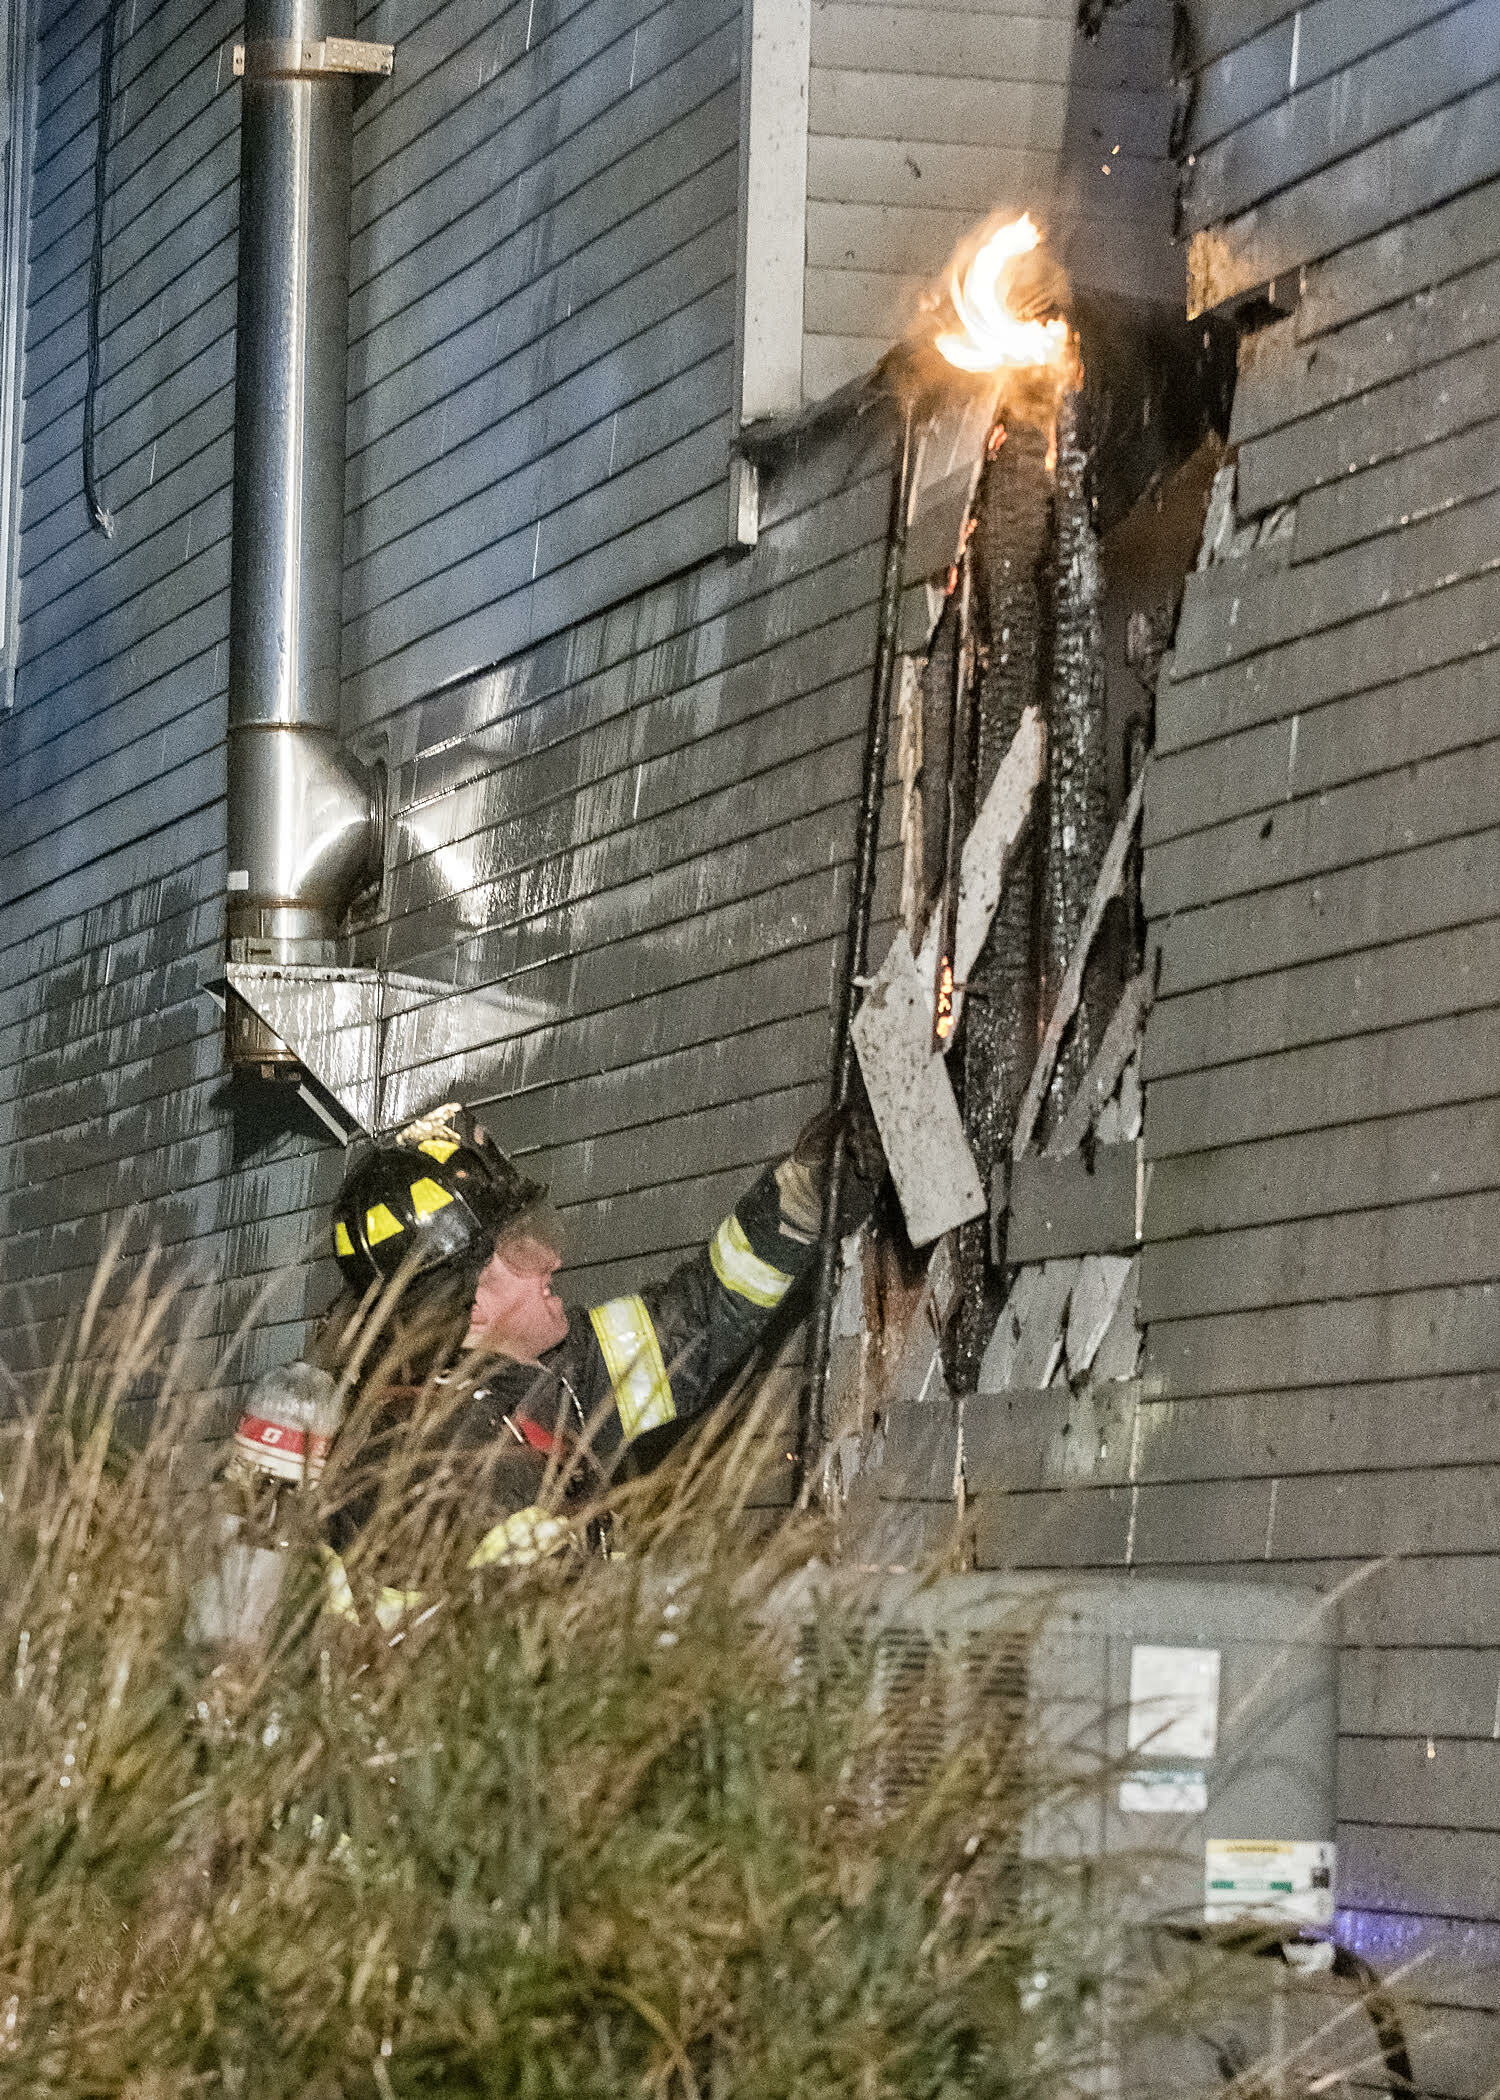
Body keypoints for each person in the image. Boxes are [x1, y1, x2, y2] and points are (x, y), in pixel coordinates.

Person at [220, 1098, 884, 1622]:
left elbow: (700, 1318)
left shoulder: (548, 1381)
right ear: (468, 1300)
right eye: (524, 1248)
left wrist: (808, 1192)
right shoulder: (437, 1462)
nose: (553, 1260)